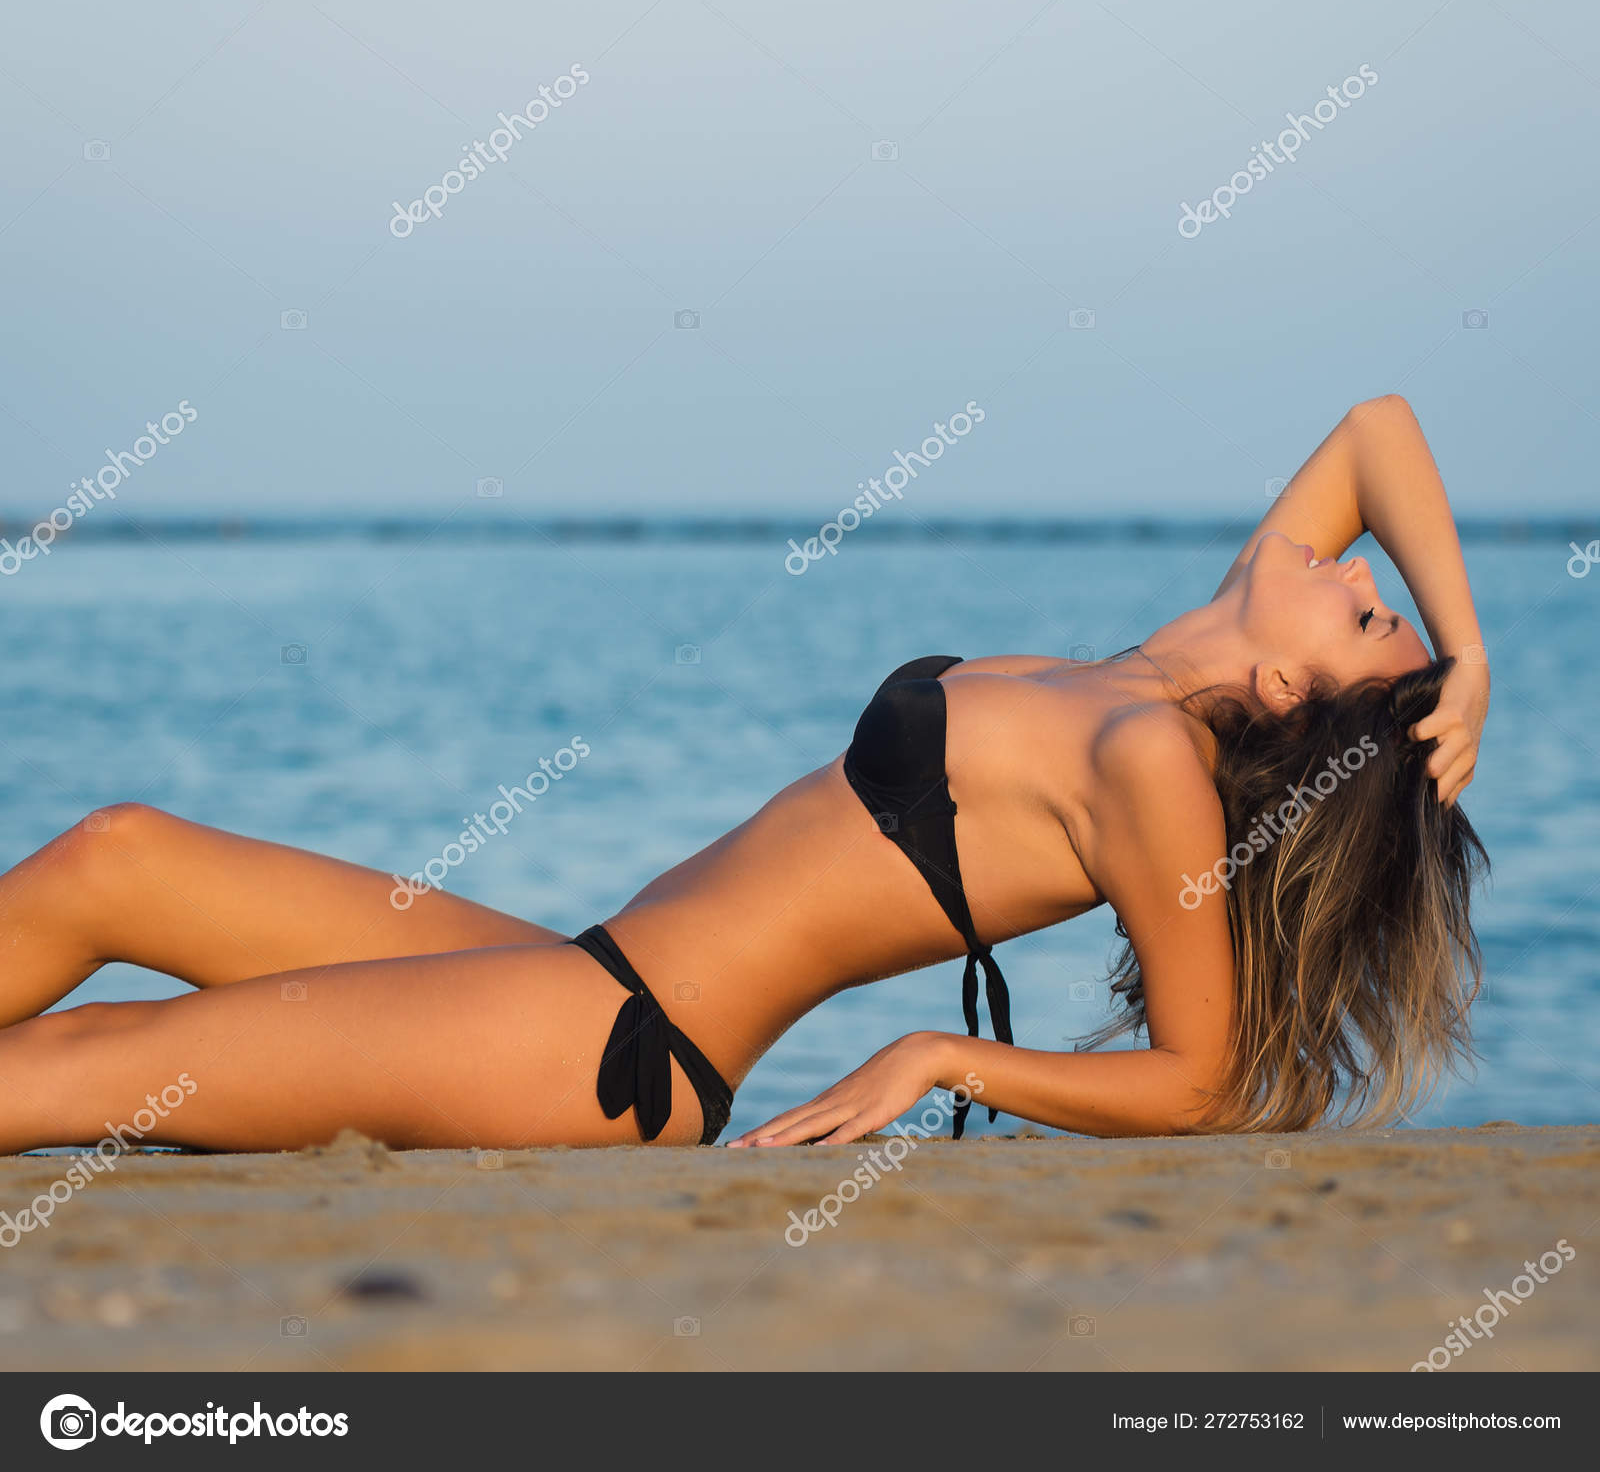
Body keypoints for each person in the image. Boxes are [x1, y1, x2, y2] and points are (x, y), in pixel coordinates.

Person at [0, 395, 1488, 1155]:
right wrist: (1463, 660)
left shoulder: (1149, 761)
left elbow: (1212, 1077)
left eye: (1364, 615)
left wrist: (938, 1059)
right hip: (573, 976)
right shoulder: (1131, 683)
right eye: (1377, 595)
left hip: (606, 1058)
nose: (1356, 571)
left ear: (1285, 687)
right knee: (117, 849)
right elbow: (1378, 433)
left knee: (77, 1068)